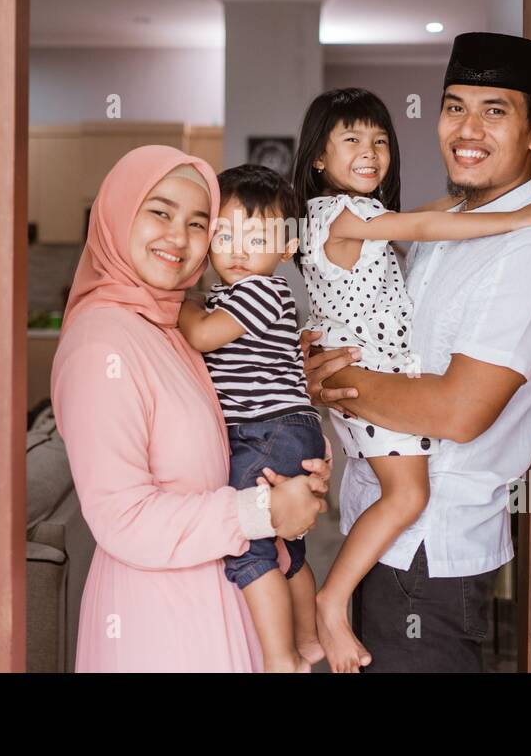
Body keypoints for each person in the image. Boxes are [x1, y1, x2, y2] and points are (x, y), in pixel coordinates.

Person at [303, 33, 531, 673]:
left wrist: (338, 380)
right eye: (455, 106)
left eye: (495, 111)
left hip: (430, 552)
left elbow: (458, 412)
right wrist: (325, 374)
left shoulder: (530, 251)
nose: (468, 128)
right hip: (382, 535)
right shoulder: (445, 230)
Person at [50, 145, 329, 672]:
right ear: (116, 215)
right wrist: (265, 509)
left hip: (224, 604)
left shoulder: (171, 324)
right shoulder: (101, 345)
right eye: (159, 211)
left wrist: (304, 466)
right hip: (159, 628)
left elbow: (232, 421)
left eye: (199, 222)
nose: (179, 237)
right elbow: (122, 518)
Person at [178, 164, 326, 673]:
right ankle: (308, 639)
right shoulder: (232, 294)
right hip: (280, 427)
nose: (237, 250)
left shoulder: (263, 291)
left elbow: (200, 336)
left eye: (256, 236)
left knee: (246, 541)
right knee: (287, 540)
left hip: (268, 427)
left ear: (287, 248)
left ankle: (280, 657)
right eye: (224, 233)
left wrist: (172, 298)